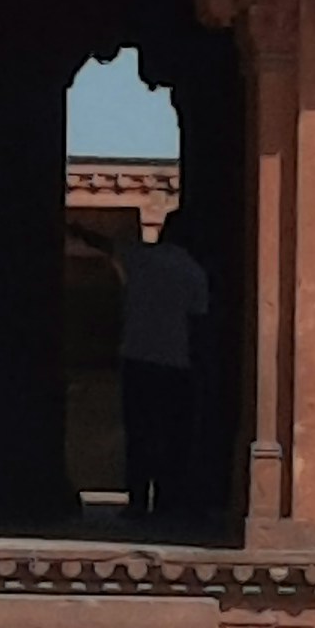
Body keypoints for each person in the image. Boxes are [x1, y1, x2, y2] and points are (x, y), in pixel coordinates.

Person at [113, 221, 208, 531]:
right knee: (173, 436)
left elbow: (107, 245)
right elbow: (197, 324)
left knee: (139, 433)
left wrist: (73, 228)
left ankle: (137, 501)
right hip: (176, 364)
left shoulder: (141, 258)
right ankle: (168, 501)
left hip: (137, 358)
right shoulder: (194, 271)